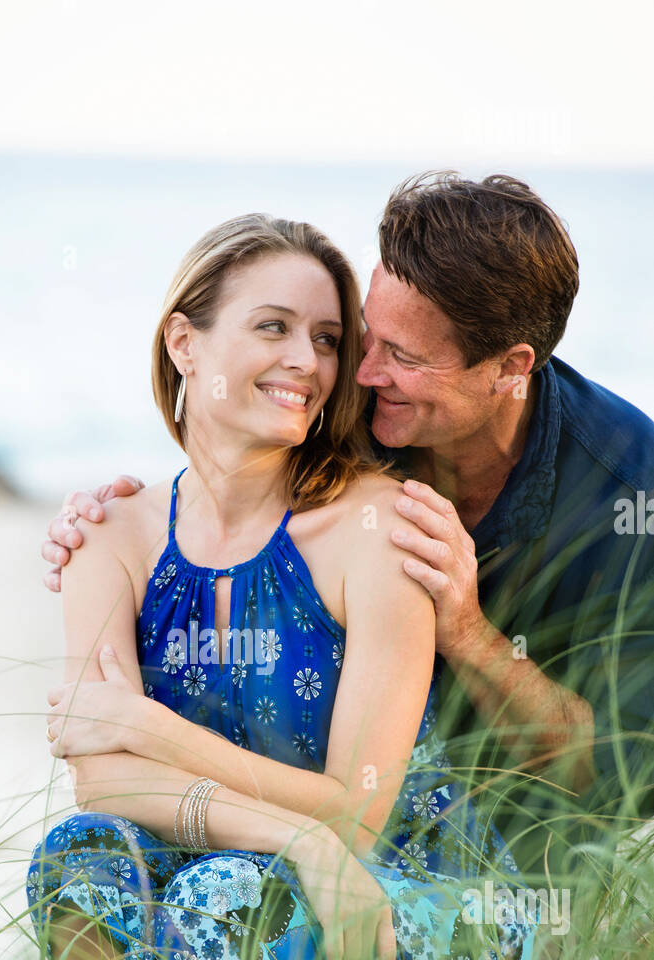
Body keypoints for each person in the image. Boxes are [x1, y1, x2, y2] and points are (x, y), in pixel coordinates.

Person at [26, 213, 539, 960]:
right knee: (77, 857)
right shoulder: (113, 534)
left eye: (328, 339)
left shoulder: (377, 528)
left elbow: (360, 815)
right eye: (273, 327)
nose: (308, 360)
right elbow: (101, 783)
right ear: (184, 342)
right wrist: (295, 834)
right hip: (274, 861)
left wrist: (152, 730)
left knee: (221, 895)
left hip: (401, 888)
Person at [43, 174, 654, 882]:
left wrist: (468, 635)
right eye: (365, 335)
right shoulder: (345, 406)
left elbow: (619, 772)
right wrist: (117, 519)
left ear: (509, 368)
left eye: (404, 356)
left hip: (517, 859)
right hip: (284, 818)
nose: (358, 372)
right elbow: (229, 450)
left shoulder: (627, 494)